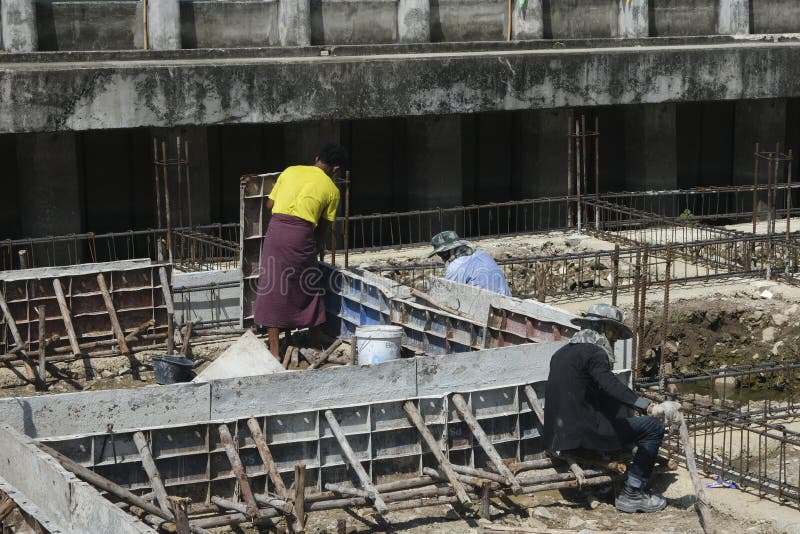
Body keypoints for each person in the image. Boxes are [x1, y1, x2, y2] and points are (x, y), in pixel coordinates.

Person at [542, 303, 681, 513]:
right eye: (614, 332)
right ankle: (633, 492)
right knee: (653, 428)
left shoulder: (562, 353)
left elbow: (597, 391)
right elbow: (611, 385)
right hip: (584, 434)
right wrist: (650, 407)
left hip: (558, 436)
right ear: (603, 328)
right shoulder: (595, 354)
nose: (615, 339)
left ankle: (607, 481)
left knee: (617, 410)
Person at [254, 143, 348, 359]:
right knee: (309, 286)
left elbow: (269, 205)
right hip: (301, 234)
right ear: (336, 169)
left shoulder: (290, 170)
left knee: (273, 289)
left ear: (317, 158)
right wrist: (312, 250)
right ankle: (314, 346)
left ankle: (275, 352)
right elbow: (322, 229)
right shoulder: (332, 190)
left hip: (276, 232)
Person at [428, 231, 511, 296]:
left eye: (439, 254)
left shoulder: (454, 267)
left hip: (484, 310)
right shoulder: (483, 254)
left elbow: (451, 296)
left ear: (445, 253)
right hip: (506, 303)